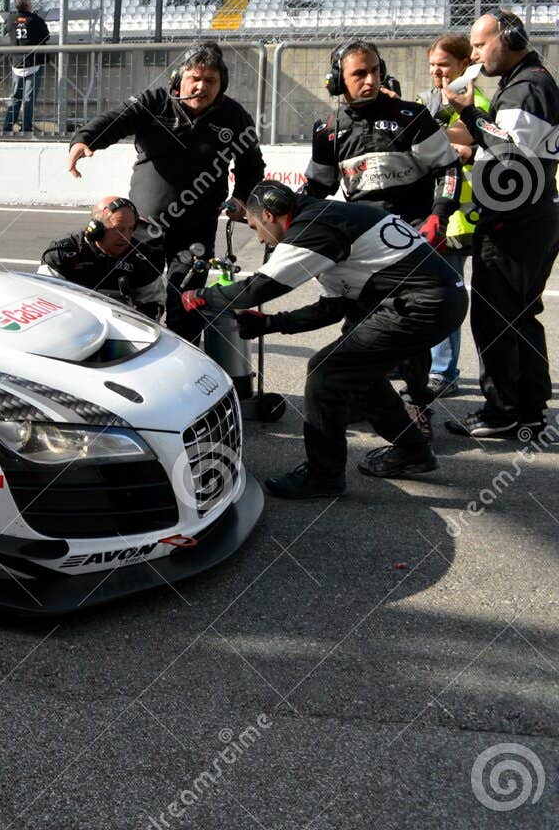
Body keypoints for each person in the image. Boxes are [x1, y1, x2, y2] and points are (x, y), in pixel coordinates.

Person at [184, 181, 466, 498]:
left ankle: (324, 477)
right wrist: (271, 323)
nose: (260, 237)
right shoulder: (328, 219)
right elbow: (332, 308)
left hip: (421, 304)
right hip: (437, 300)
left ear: (268, 215)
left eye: (255, 227)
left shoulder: (312, 229)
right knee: (360, 377)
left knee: (326, 373)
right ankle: (412, 451)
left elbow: (260, 288)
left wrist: (204, 297)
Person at [306, 40, 460, 437]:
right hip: (362, 246)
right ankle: (364, 399)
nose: (370, 80)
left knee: (407, 328)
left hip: (411, 240)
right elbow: (317, 190)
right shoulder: (327, 130)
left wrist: (437, 217)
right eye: (359, 73)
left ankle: (416, 403)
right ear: (337, 80)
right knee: (360, 326)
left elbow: (449, 169)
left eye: (375, 70)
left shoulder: (412, 116)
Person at [67, 40, 264, 340]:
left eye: (210, 80)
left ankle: (182, 362)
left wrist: (240, 198)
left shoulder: (235, 116)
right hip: (144, 224)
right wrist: (85, 139)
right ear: (178, 78)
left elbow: (252, 166)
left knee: (185, 304)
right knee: (134, 302)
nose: (201, 86)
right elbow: (117, 120)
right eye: (194, 78)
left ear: (221, 84)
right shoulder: (155, 101)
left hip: (196, 230)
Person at [443, 10, 559, 438]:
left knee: (497, 316)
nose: (474, 53)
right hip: (529, 215)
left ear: (507, 38)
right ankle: (527, 410)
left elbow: (510, 155)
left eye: (479, 44)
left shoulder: (529, 87)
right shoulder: (527, 82)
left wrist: (469, 113)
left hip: (517, 222)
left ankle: (503, 411)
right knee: (520, 314)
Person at [417, 33, 492, 398]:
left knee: (443, 295)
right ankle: (424, 368)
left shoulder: (473, 102)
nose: (437, 71)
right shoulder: (427, 99)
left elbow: (438, 142)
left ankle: (443, 373)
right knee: (423, 293)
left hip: (458, 221)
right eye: (433, 64)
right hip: (426, 215)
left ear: (464, 65)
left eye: (444, 65)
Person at [40, 195, 166, 318]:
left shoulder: (142, 258)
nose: (126, 237)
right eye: (119, 230)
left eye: (131, 228)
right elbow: (42, 300)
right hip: (71, 322)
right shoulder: (62, 254)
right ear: (96, 229)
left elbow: (154, 303)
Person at [3, 0, 49, 134]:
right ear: (29, 5)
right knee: (29, 98)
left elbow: (8, 31)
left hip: (17, 62)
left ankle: (7, 127)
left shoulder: (10, 19)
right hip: (33, 63)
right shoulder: (35, 20)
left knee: (16, 97)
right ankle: (26, 127)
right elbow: (46, 36)